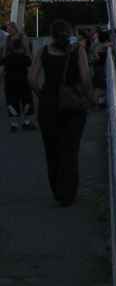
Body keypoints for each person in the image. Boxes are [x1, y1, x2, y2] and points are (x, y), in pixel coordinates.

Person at [29, 19, 92, 206]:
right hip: (73, 105)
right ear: (70, 33)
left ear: (52, 35)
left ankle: (57, 190)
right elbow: (85, 77)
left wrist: (42, 95)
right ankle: (68, 192)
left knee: (52, 149)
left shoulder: (43, 52)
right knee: (70, 148)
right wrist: (89, 97)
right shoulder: (77, 52)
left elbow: (32, 79)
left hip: (48, 104)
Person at [2, 22, 36, 132]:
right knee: (26, 99)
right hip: (22, 79)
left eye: (10, 28)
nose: (9, 30)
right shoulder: (25, 58)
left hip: (10, 77)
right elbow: (27, 55)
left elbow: (4, 57)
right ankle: (26, 122)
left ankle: (14, 124)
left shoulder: (7, 56)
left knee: (11, 100)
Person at [92, 28, 112, 108]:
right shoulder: (101, 46)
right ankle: (94, 103)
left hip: (97, 68)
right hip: (100, 69)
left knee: (99, 87)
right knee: (102, 88)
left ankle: (96, 103)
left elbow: (96, 58)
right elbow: (111, 44)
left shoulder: (97, 46)